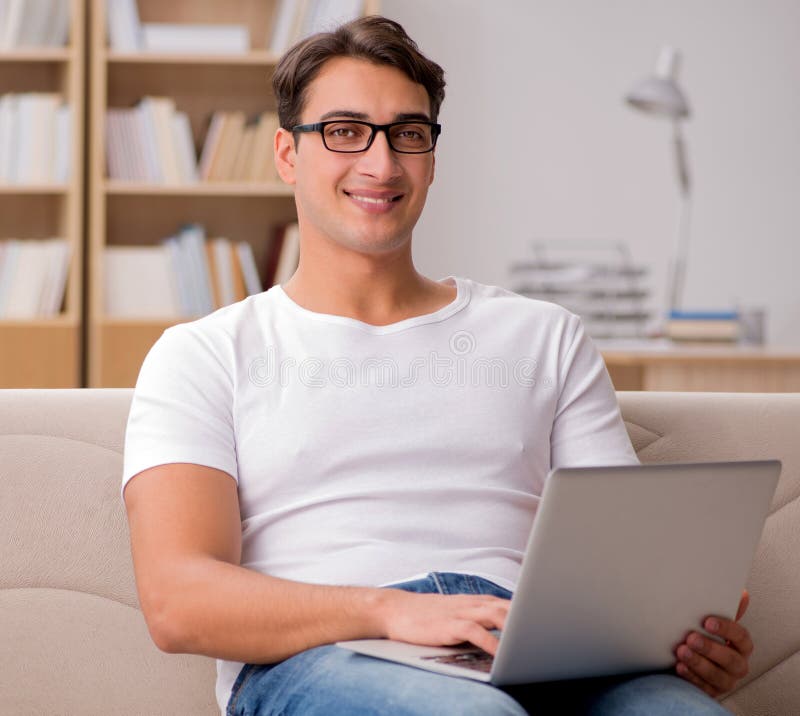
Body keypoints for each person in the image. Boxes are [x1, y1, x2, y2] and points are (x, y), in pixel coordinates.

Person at [122, 16, 752, 716]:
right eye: (345, 131)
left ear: (431, 156)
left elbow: (623, 566)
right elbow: (177, 601)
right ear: (287, 154)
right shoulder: (206, 354)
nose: (381, 163)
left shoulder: (545, 337)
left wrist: (676, 635)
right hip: (323, 660)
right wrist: (392, 611)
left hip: (540, 650)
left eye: (408, 134)